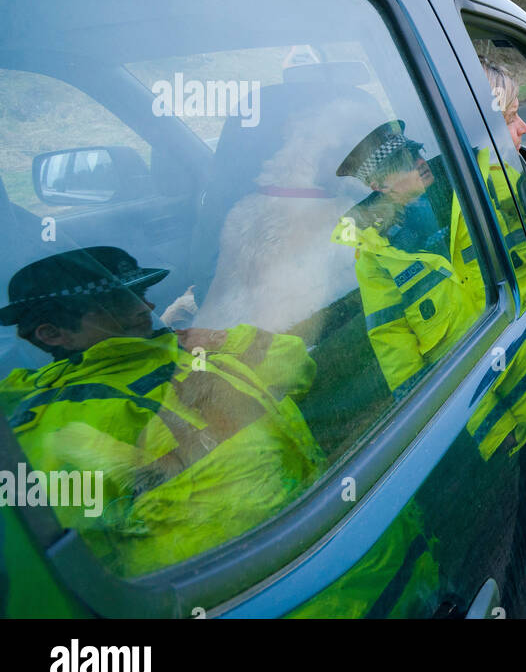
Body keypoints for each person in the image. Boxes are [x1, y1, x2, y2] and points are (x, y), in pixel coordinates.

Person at [0, 246, 324, 577]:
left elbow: (296, 364)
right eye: (115, 303)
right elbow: (83, 575)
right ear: (52, 334)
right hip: (236, 594)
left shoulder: (182, 350)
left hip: (317, 549)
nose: (145, 307)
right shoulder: (58, 428)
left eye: (139, 293)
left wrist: (214, 337)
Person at [333, 120, 481, 396]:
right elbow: (391, 338)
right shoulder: (374, 251)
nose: (421, 162)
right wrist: (423, 406)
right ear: (379, 185)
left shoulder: (460, 188)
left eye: (417, 152)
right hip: (466, 388)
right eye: (405, 162)